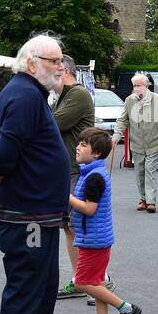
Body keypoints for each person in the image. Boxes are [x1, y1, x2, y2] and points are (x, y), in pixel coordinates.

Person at [0, 34, 77, 314]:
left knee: (44, 285)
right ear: (31, 62)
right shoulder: (23, 96)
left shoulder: (29, 93)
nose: (61, 66)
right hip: (26, 216)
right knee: (25, 289)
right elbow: (4, 155)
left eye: (61, 60)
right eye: (54, 61)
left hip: (39, 213)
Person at [69, 128, 143, 314]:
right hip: (95, 238)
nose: (78, 147)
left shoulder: (94, 178)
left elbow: (90, 209)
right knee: (97, 283)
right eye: (79, 143)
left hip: (95, 240)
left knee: (82, 282)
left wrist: (68, 198)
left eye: (84, 145)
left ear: (97, 154)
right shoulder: (91, 172)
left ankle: (127, 309)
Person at [54, 55, 100, 299]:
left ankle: (99, 282)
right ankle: (79, 280)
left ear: (63, 69)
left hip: (78, 171)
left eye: (53, 67)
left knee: (81, 228)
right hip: (66, 170)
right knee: (69, 228)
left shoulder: (78, 94)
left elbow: (52, 124)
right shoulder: (62, 96)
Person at [112, 72, 158, 213]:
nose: (136, 88)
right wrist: (117, 135)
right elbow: (122, 119)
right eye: (134, 86)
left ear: (146, 85)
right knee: (139, 172)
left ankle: (151, 201)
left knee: (150, 170)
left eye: (138, 85)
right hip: (136, 143)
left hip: (153, 142)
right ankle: (143, 199)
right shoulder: (130, 100)